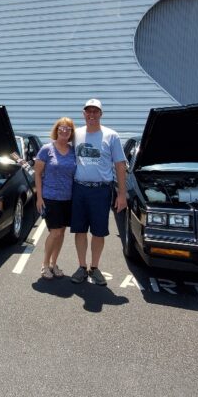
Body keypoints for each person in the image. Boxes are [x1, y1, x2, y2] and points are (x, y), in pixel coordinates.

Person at [70, 99, 127, 286]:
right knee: (79, 230)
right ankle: (81, 266)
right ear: (83, 113)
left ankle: (94, 268)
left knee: (98, 232)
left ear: (101, 114)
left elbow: (120, 164)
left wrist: (122, 194)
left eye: (96, 111)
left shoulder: (111, 136)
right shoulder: (76, 134)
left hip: (101, 190)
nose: (92, 115)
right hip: (79, 188)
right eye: (88, 111)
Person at [34, 117, 77, 280]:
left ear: (71, 132)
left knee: (62, 233)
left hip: (68, 199)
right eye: (62, 128)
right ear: (56, 130)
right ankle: (45, 265)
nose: (64, 131)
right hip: (50, 197)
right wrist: (39, 197)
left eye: (68, 129)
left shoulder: (73, 150)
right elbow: (37, 173)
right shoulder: (47, 149)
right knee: (55, 232)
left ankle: (54, 263)